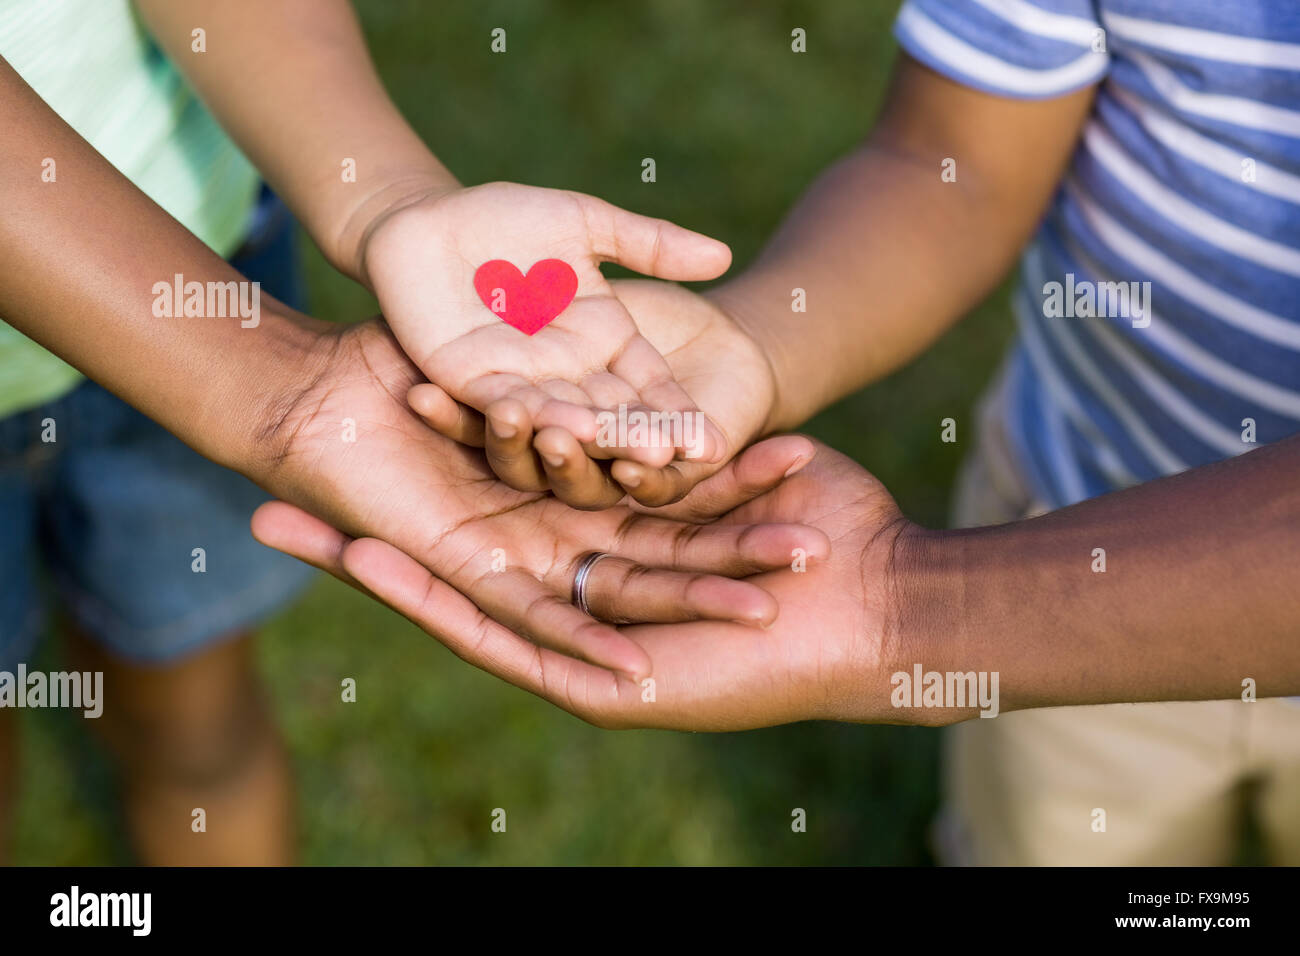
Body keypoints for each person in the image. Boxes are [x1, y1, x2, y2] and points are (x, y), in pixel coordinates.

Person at [336, 0, 1300, 865]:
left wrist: (907, 618)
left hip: (1027, 606)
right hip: (1076, 528)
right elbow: (951, 165)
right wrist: (755, 342)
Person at [0, 0, 811, 864]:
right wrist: (278, 392)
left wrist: (391, 199)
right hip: (214, 346)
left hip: (201, 254)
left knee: (195, 713)